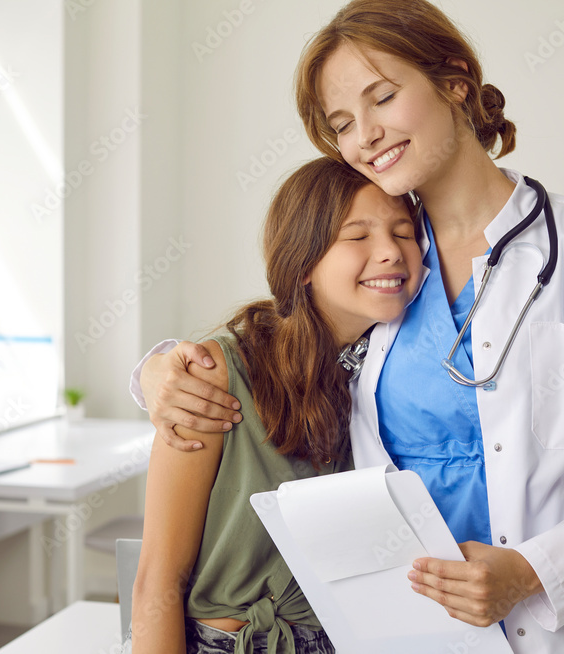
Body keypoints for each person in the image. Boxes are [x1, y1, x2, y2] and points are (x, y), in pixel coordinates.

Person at [130, 1, 564, 651]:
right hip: (409, 633)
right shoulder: (385, 270)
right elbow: (281, 343)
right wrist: (158, 369)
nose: (366, 135)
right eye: (343, 123)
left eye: (383, 98)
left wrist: (530, 572)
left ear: (456, 82)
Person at [126, 156, 423, 654]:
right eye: (358, 236)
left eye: (404, 232)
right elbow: (158, 578)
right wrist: (152, 371)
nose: (390, 252)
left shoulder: (399, 371)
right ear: (303, 263)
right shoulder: (215, 374)